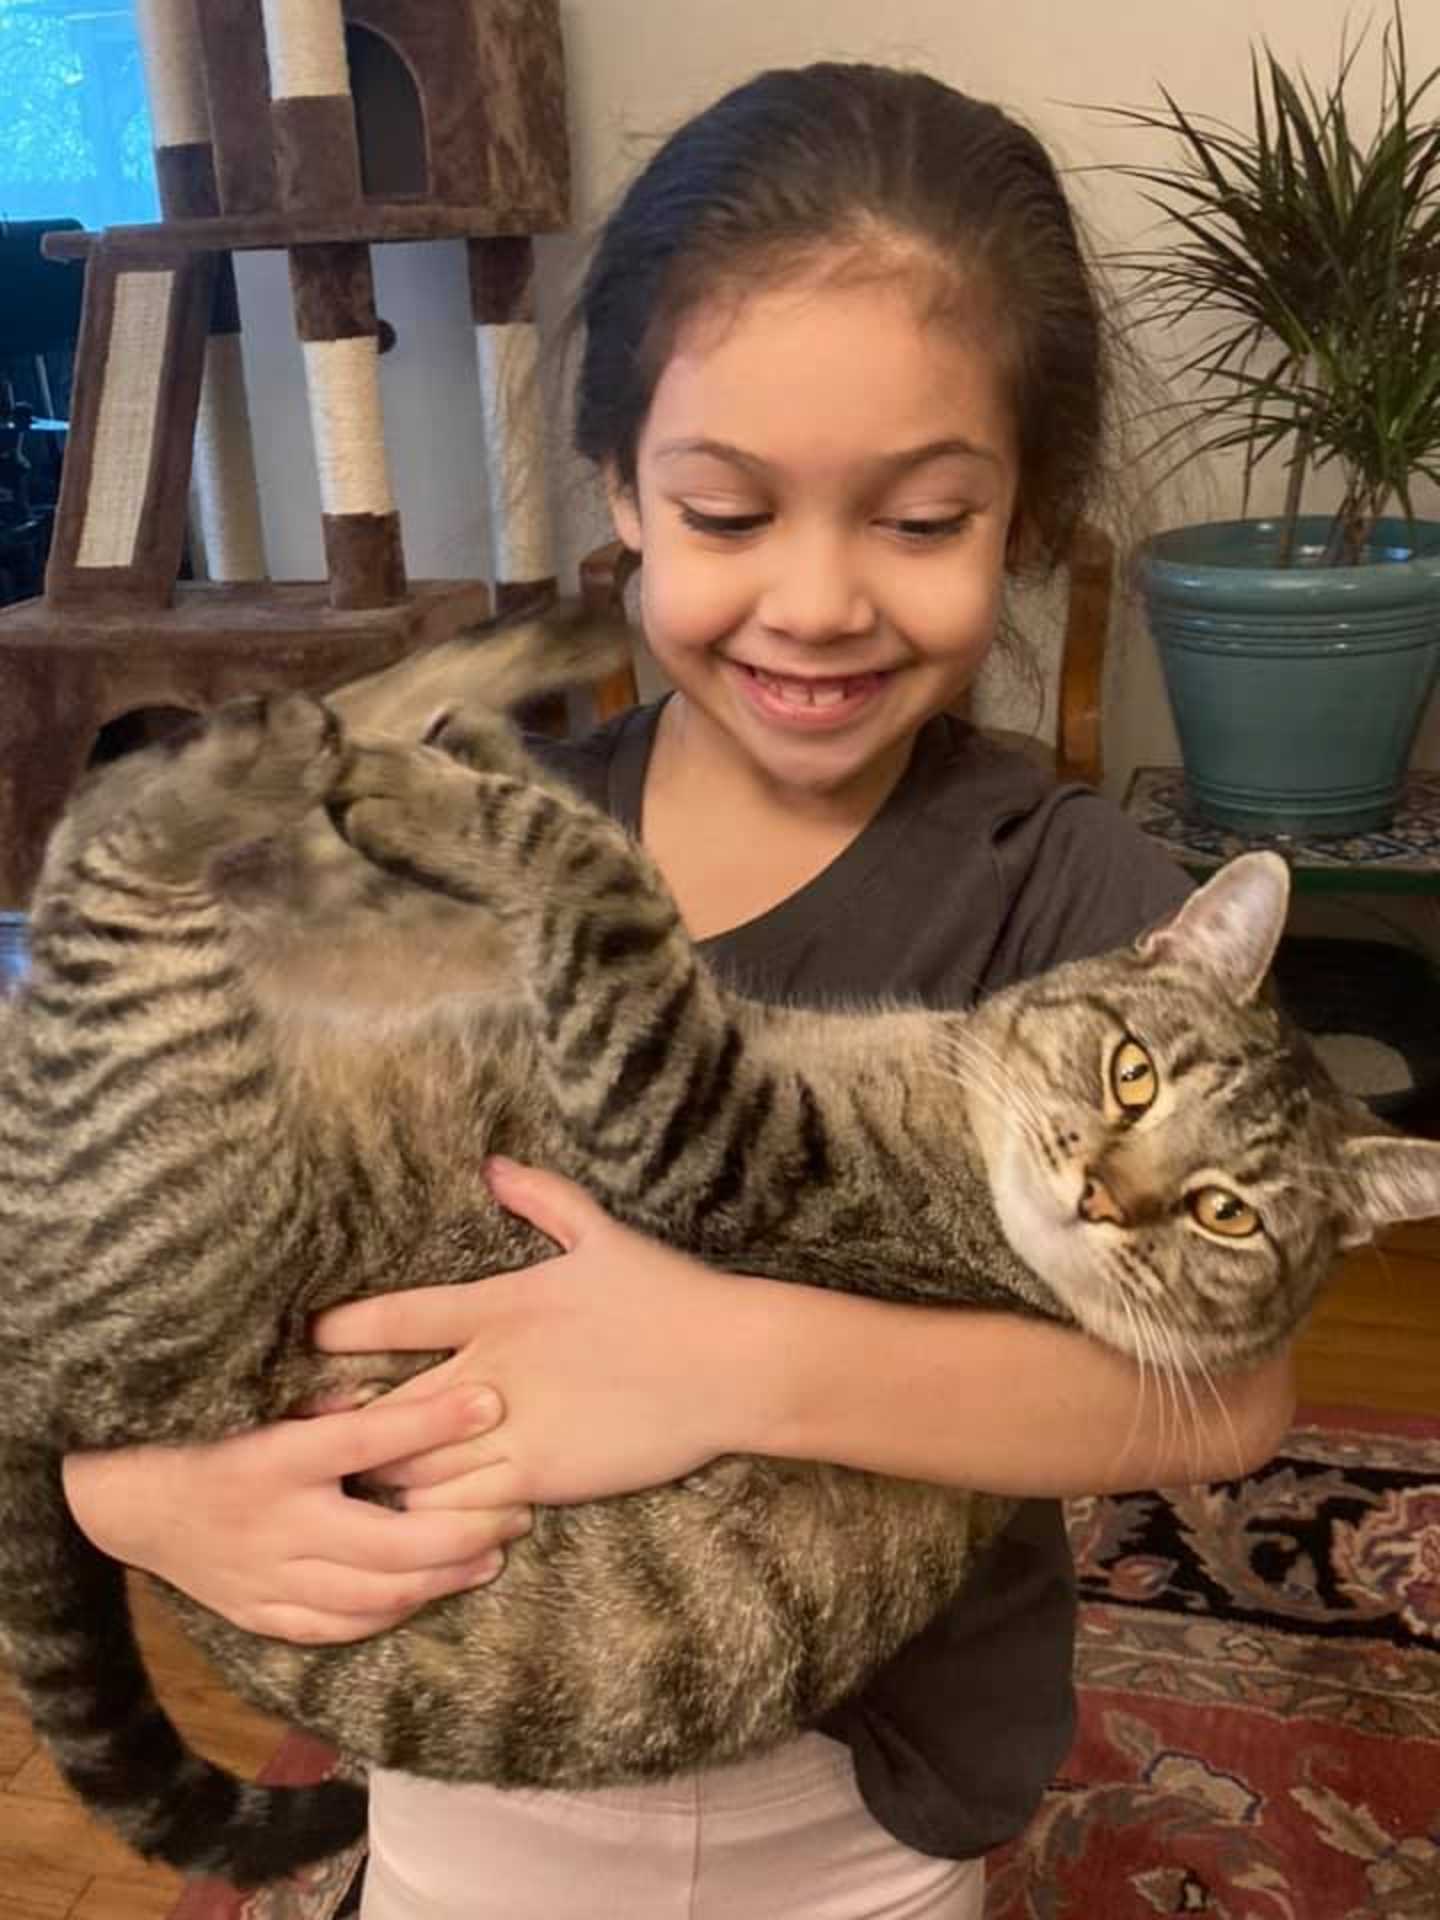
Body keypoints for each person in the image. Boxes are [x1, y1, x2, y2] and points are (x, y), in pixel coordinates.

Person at [63, 62, 1297, 1920]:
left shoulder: (1078, 911)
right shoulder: (453, 860)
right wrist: (134, 1496)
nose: (814, 602)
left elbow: (1227, 1400)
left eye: (917, 519)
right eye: (728, 514)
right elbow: (164, 1238)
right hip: (461, 1771)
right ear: (621, 486)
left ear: (1025, 512)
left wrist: (739, 1358)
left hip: (857, 1815)